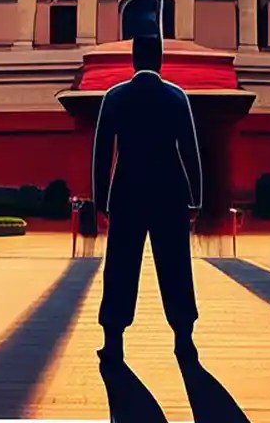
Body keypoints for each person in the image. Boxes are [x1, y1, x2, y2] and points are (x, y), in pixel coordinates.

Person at [93, 34, 203, 363]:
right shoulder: (176, 98)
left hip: (127, 192)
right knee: (176, 266)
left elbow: (102, 153)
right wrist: (195, 198)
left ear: (133, 59)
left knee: (120, 267)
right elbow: (190, 152)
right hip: (169, 192)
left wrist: (102, 201)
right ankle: (184, 336)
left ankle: (113, 337)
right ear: (160, 60)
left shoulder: (114, 97)